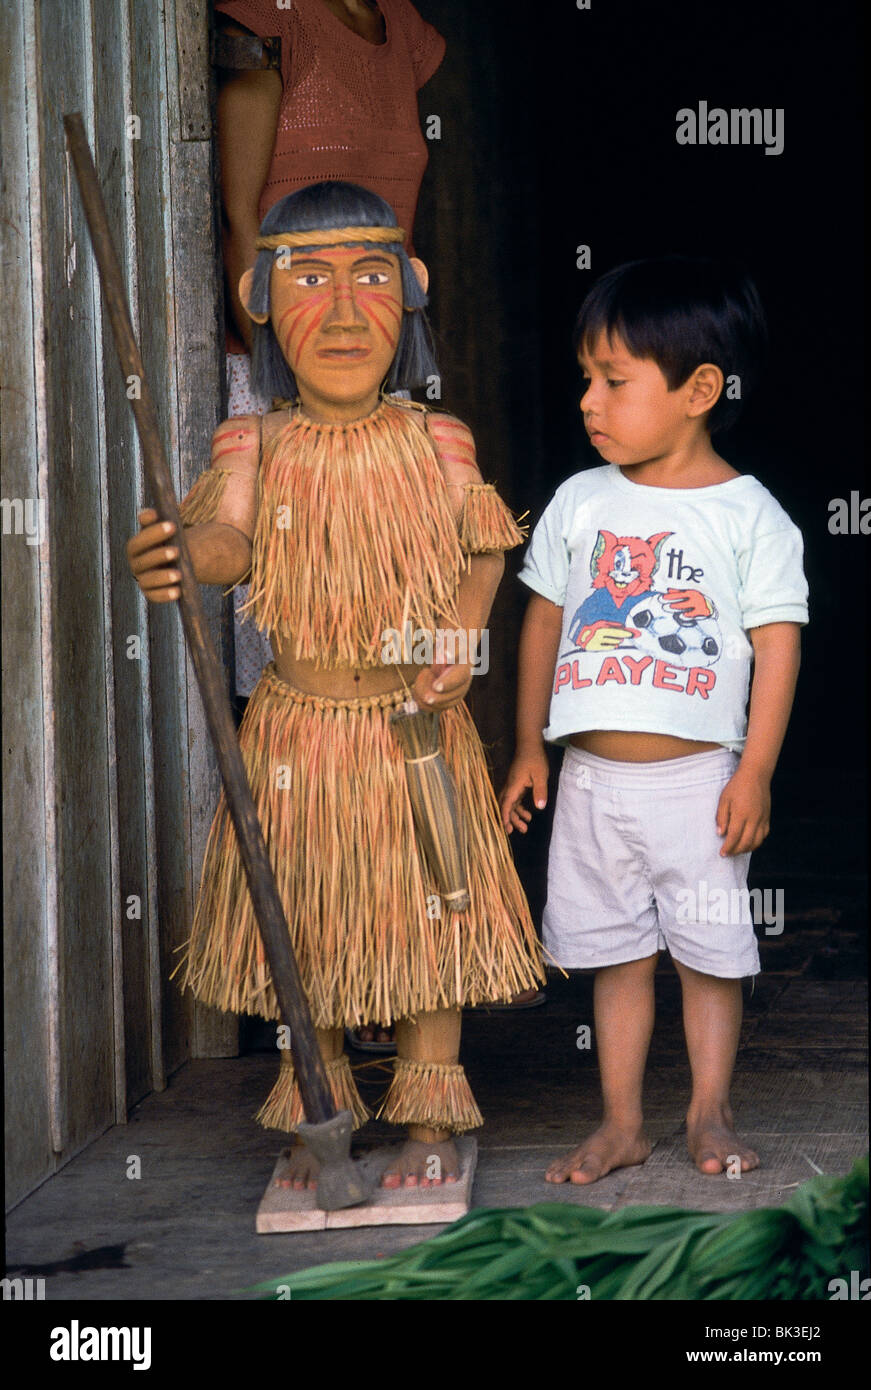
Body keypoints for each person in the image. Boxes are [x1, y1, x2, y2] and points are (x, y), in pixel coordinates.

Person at [127, 180, 544, 1191]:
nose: (347, 311)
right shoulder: (254, 443)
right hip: (297, 734)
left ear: (411, 291)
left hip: (411, 725)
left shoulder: (434, 440)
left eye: (369, 277)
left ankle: (430, 1118)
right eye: (310, 279)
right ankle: (317, 1111)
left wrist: (460, 623)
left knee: (429, 920)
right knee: (303, 919)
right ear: (258, 295)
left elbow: (483, 542)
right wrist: (186, 550)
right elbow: (227, 540)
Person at [499, 256, 809, 1184]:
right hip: (592, 782)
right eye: (584, 380)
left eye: (614, 382)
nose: (589, 401)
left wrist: (753, 771)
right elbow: (544, 621)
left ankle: (708, 1112)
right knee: (614, 953)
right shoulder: (580, 501)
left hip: (698, 785)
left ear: (698, 391)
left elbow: (778, 647)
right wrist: (527, 744)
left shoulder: (749, 516)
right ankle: (622, 1122)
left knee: (709, 952)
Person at [215, 0, 447, 1047]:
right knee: (295, 634)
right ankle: (328, 996)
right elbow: (241, 252)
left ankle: (407, 974)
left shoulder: (406, 39)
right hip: (295, 367)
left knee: (398, 615)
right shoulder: (266, 72)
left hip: (382, 351)